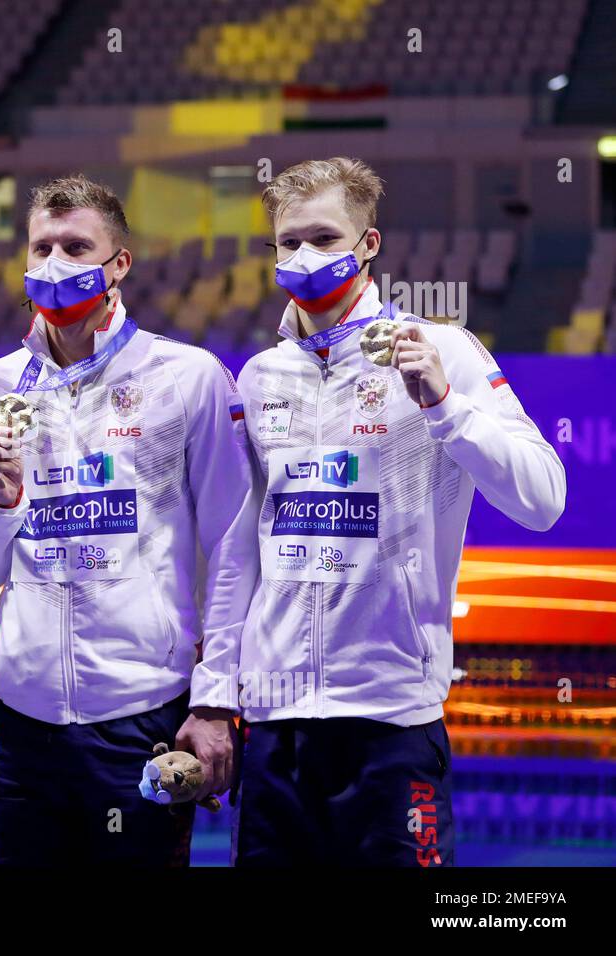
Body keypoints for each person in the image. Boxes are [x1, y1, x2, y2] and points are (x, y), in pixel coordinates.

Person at [234, 157, 566, 866]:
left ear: (369, 246)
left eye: (324, 238)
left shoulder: (443, 349)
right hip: (274, 726)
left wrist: (447, 406)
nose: (303, 257)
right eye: (287, 242)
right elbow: (244, 552)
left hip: (392, 725)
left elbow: (543, 498)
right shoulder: (260, 377)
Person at [0, 175, 253, 866]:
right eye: (43, 248)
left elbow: (235, 545)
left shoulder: (188, 378)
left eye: (76, 246)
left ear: (119, 262)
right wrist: (3, 505)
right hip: (22, 721)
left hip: (143, 713)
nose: (56, 263)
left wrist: (214, 701)